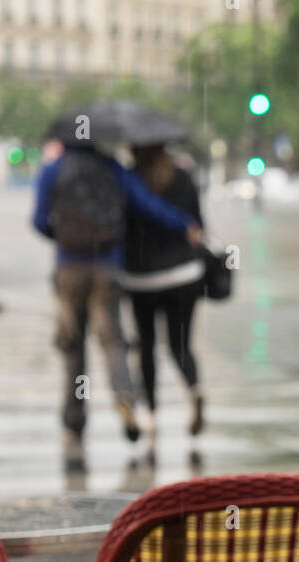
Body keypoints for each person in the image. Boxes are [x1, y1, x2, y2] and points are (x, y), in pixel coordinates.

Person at [33, 142, 201, 467]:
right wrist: (185, 225)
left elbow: (39, 220)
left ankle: (74, 421)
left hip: (69, 268)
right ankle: (125, 397)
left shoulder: (54, 170)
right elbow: (146, 206)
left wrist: (65, 238)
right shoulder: (113, 169)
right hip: (107, 267)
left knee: (73, 348)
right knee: (112, 342)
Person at [120, 146, 207, 449]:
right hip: (185, 276)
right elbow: (198, 225)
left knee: (146, 347)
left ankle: (153, 416)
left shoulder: (129, 179)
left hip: (142, 279)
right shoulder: (183, 177)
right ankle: (194, 390)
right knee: (180, 345)